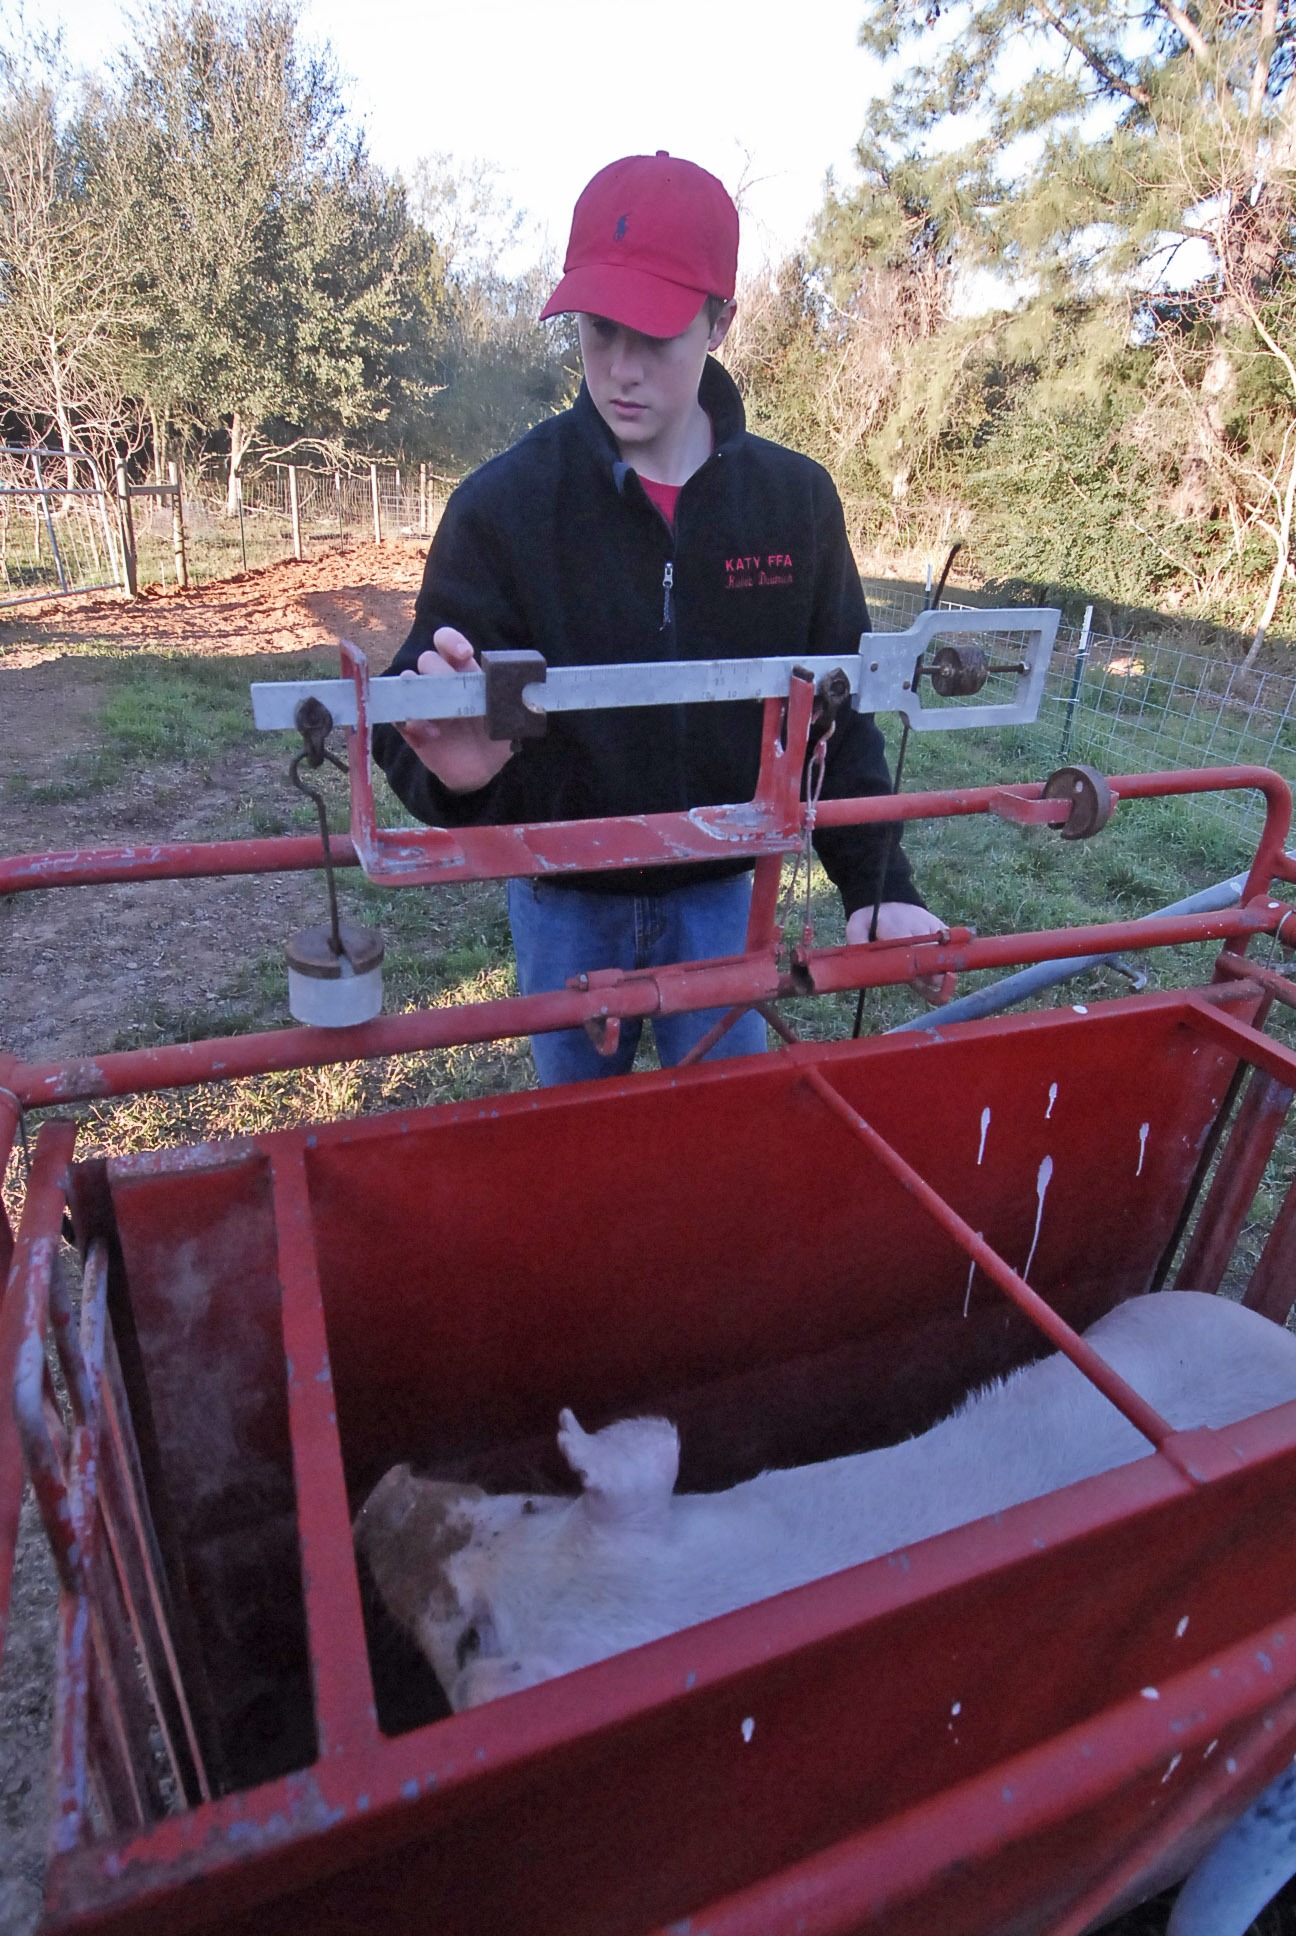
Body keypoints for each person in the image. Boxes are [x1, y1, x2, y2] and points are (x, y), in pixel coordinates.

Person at [372, 151, 945, 1085]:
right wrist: (459, 777)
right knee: (579, 1136)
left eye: (656, 336)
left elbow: (838, 715)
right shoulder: (505, 505)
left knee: (719, 1127)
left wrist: (877, 887)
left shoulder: (795, 505)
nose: (621, 370)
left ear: (720, 321)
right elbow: (413, 715)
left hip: (726, 891)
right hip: (566, 896)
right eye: (600, 332)